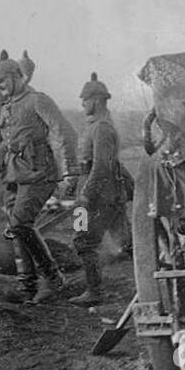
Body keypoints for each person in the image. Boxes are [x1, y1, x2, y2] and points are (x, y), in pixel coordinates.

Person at [0, 50, 75, 305]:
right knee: (16, 228)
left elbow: (63, 132)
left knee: (21, 223)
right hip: (14, 175)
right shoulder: (4, 109)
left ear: (18, 76)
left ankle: (54, 280)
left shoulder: (38, 101)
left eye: (3, 82)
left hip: (39, 173)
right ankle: (27, 287)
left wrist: (68, 172)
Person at [68, 72, 128, 306]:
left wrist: (86, 195)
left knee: (83, 241)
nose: (82, 104)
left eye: (85, 99)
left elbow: (102, 166)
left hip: (98, 195)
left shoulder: (101, 128)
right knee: (123, 241)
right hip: (97, 190)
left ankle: (96, 292)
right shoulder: (95, 126)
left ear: (97, 100)